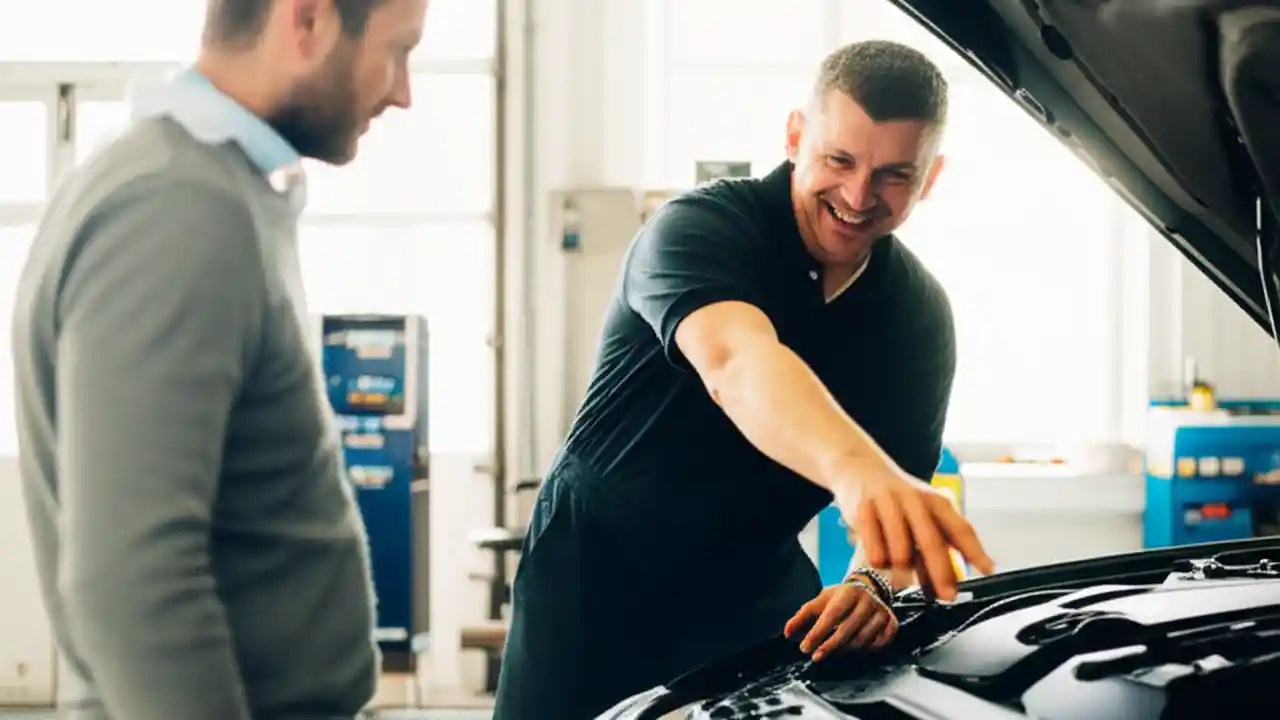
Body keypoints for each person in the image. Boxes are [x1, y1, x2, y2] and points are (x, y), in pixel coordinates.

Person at [494, 39, 996, 719]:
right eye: (839, 160)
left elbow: (896, 516)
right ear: (796, 136)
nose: (857, 196)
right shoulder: (697, 228)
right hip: (597, 575)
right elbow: (735, 361)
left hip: (756, 593)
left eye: (893, 175)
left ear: (929, 177)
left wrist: (874, 585)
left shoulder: (918, 316)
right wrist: (857, 471)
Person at [10, 1, 428, 718]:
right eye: (396, 51)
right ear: (307, 21)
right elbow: (132, 581)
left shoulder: (213, 189)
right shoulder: (176, 209)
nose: (402, 92)